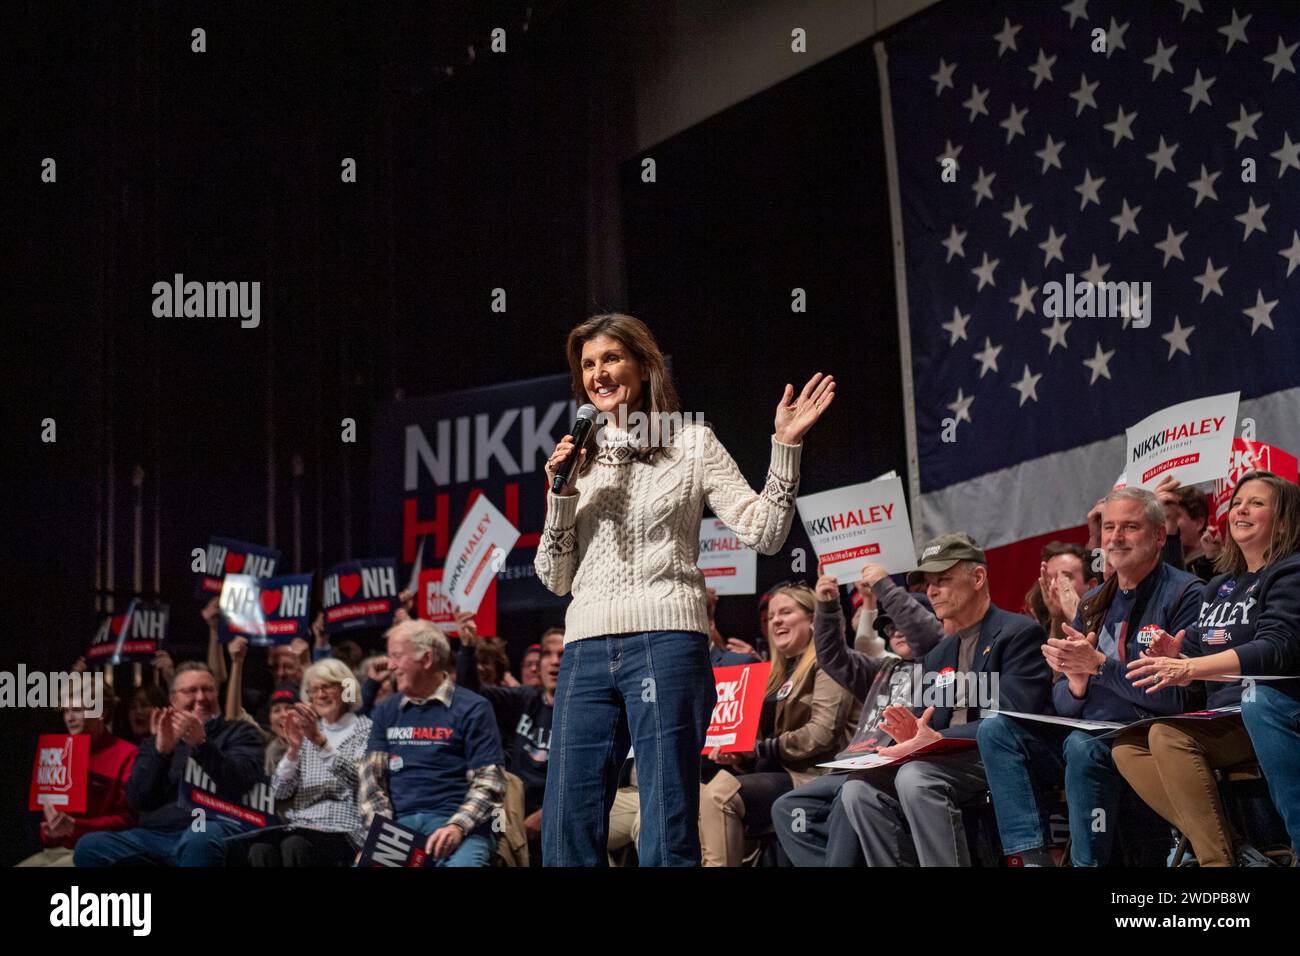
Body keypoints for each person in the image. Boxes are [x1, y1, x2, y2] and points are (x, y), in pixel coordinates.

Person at [534, 312, 833, 866]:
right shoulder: (578, 456)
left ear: (644, 367)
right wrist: (561, 495)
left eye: (611, 359)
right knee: (567, 817)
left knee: (668, 811)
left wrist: (785, 447)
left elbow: (764, 533)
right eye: (589, 365)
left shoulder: (691, 441)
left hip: (667, 643)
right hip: (585, 647)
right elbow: (554, 578)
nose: (599, 374)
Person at [977, 487, 1202, 866]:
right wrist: (1078, 685)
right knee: (997, 730)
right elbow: (1064, 700)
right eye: (1110, 527)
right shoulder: (1094, 602)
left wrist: (1098, 666)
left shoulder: (1186, 593)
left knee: (1082, 746)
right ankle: (1032, 859)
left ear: (1159, 536)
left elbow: (1179, 699)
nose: (1115, 537)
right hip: (1090, 734)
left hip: (1145, 737)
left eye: (1130, 526)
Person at [1119, 471, 1300, 864]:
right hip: (1219, 715)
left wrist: (1192, 667)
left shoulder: (1290, 571)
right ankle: (1239, 853)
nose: (1241, 510)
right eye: (1236, 503)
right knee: (1126, 747)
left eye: (1256, 503)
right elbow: (1200, 651)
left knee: (1168, 737)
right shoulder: (1220, 585)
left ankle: (1217, 862)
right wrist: (1177, 656)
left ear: (1284, 519)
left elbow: (1276, 647)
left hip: (1270, 711)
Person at [839, 535, 1051, 866]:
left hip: (999, 755)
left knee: (917, 777)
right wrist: (912, 734)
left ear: (978, 578)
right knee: (858, 790)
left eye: (943, 580)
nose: (932, 591)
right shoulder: (938, 655)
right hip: (948, 759)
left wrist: (939, 739)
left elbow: (1012, 718)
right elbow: (930, 720)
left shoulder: (1018, 633)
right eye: (928, 584)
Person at [773, 566, 942, 866]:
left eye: (902, 623)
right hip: (850, 765)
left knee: (848, 800)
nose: (896, 631)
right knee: (788, 807)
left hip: (892, 769)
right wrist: (826, 604)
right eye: (889, 627)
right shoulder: (882, 669)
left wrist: (881, 585)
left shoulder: (938, 663)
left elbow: (927, 636)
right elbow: (833, 657)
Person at [699, 583, 857, 866]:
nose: (776, 621)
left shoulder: (829, 662)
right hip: (782, 774)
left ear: (812, 619)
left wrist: (759, 750)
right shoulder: (774, 674)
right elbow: (760, 748)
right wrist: (738, 757)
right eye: (771, 616)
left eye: (785, 612)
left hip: (818, 775)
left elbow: (822, 733)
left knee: (721, 793)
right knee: (704, 791)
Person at [73, 663, 264, 867]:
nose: (201, 697)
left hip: (214, 825)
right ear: (173, 700)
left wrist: (202, 744)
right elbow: (136, 798)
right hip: (156, 835)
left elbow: (241, 783)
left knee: (198, 837)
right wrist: (161, 753)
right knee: (90, 846)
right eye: (191, 691)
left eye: (208, 689)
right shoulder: (155, 741)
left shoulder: (239, 732)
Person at [358, 619, 506, 867]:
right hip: (400, 826)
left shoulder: (473, 708)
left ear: (426, 659)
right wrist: (379, 837)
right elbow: (370, 781)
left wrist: (457, 827)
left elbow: (490, 781)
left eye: (396, 657)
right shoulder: (386, 711)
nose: (390, 666)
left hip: (460, 824)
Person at [244, 658, 372, 866]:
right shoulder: (307, 731)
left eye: (327, 687)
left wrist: (320, 742)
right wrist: (293, 750)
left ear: (346, 688)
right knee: (261, 849)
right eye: (314, 690)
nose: (320, 695)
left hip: (344, 826)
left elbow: (357, 781)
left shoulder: (364, 730)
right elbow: (278, 792)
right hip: (303, 824)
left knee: (295, 845)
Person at [458, 617, 564, 865]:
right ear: (539, 664)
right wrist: (466, 648)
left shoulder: (584, 711)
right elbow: (472, 695)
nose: (555, 662)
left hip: (553, 809)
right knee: (504, 782)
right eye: (548, 654)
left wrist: (545, 814)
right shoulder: (525, 698)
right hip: (510, 809)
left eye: (562, 653)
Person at [18, 685, 137, 867]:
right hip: (56, 851)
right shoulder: (60, 751)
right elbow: (50, 825)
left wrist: (75, 827)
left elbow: (127, 822)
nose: (69, 718)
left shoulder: (127, 754)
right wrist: (50, 831)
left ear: (101, 712)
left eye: (77, 710)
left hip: (96, 851)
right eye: (66, 711)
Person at [1025, 542, 1098, 640]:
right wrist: (1057, 617)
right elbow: (1054, 653)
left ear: (1092, 586)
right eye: (1050, 578)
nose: (1054, 585)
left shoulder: (1108, 620)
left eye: (1066, 577)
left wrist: (1075, 616)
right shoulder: (1032, 626)